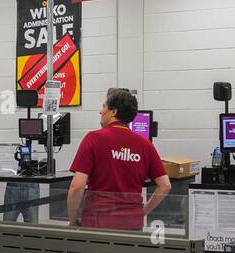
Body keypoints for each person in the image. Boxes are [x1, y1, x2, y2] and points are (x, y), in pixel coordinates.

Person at [67, 88, 169, 230]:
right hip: (132, 224)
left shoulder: (93, 139)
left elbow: (76, 187)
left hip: (98, 223)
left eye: (104, 106)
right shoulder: (145, 145)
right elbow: (165, 185)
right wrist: (142, 212)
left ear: (114, 111)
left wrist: (73, 220)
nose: (100, 111)